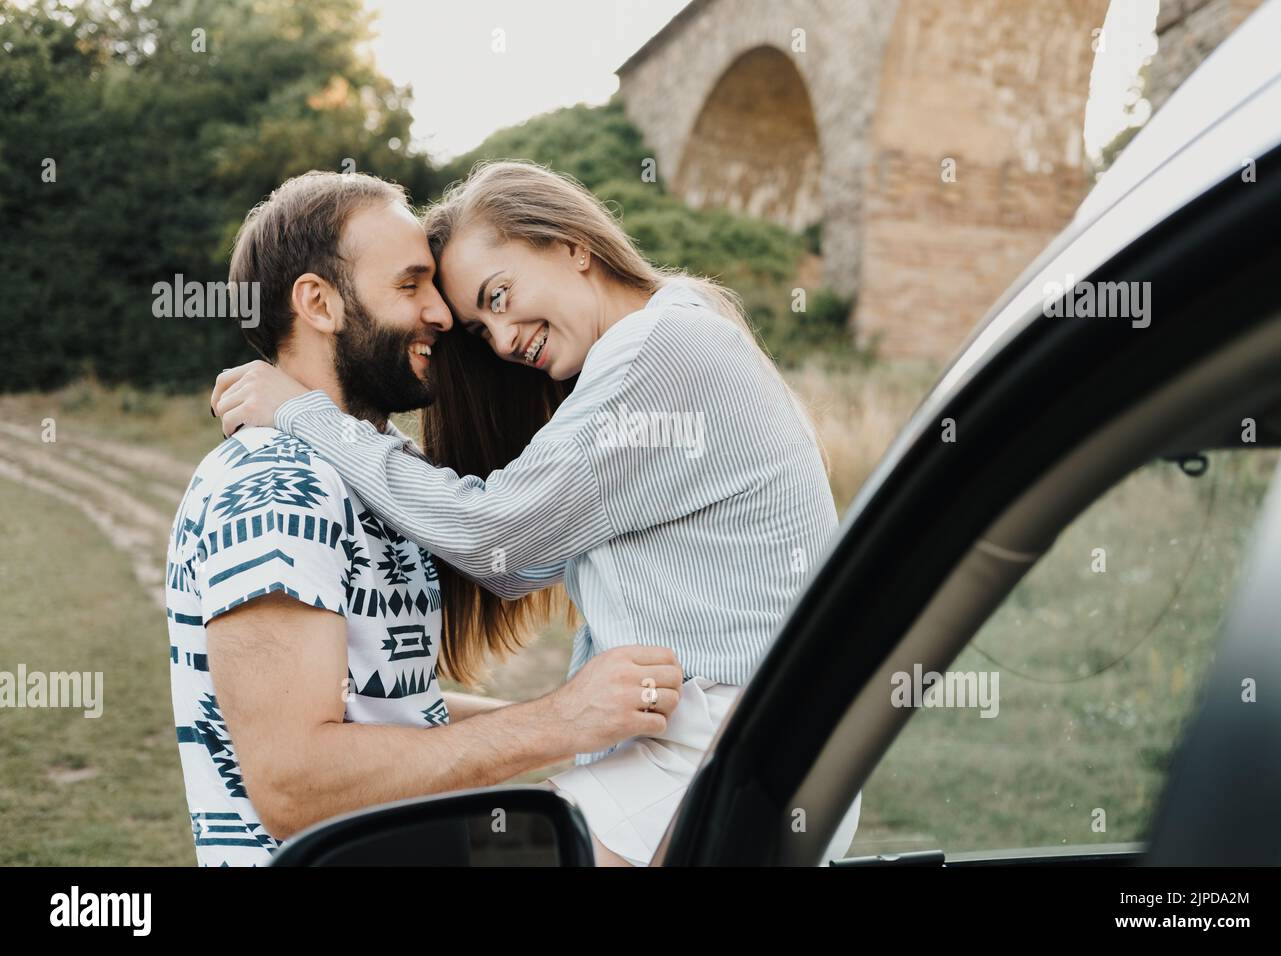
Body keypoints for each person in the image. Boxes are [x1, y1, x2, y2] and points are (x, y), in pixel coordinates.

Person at [211, 161, 862, 865]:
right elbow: (524, 564)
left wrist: (306, 415)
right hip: (714, 745)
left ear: (570, 245)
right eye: (480, 326)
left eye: (498, 294)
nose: (501, 338)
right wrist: (552, 718)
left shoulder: (663, 349)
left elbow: (500, 537)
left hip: (715, 749)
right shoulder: (662, 339)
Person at [168, 170, 682, 866]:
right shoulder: (276, 485)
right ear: (318, 303)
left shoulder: (375, 470)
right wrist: (558, 721)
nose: (442, 314)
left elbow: (399, 709)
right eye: (411, 285)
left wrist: (600, 725)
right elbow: (295, 783)